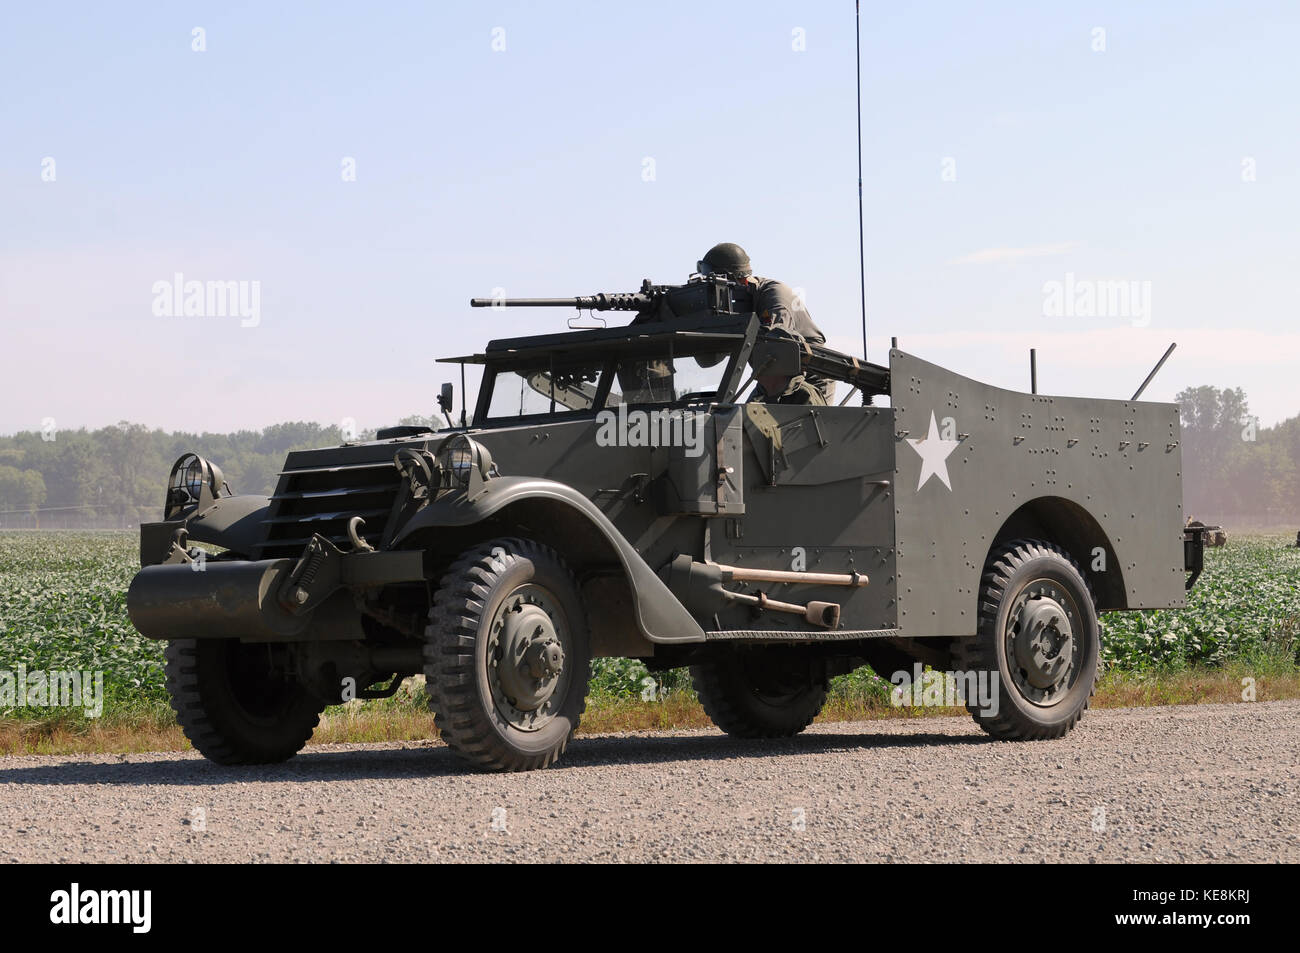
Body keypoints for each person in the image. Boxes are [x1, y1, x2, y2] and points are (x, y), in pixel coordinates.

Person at [696, 243, 834, 405]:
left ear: (737, 280)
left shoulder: (774, 293)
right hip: (769, 377)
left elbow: (776, 342)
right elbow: (707, 361)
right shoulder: (732, 305)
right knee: (739, 422)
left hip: (808, 375)